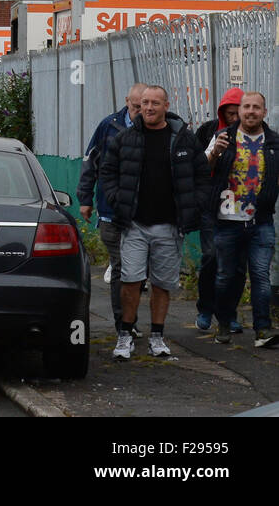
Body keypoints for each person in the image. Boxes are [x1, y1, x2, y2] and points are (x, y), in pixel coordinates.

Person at [100, 85, 211, 361]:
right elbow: (107, 171)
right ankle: (125, 335)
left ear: (166, 105)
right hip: (134, 224)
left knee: (162, 284)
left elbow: (202, 175)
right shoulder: (126, 138)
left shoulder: (183, 139)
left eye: (155, 103)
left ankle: (158, 338)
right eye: (145, 103)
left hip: (169, 226)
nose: (148, 108)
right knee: (131, 280)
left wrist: (194, 205)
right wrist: (117, 199)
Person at [206, 91, 279, 347]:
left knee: (260, 274)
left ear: (264, 112)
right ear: (239, 111)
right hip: (227, 220)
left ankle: (263, 329)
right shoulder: (222, 138)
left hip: (261, 222)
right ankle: (224, 323)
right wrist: (215, 152)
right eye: (246, 107)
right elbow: (202, 168)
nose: (250, 111)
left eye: (256, 107)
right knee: (227, 276)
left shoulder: (273, 143)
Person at [78, 83, 146, 337]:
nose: (140, 111)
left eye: (144, 106)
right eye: (135, 106)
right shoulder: (109, 126)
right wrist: (85, 199)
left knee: (138, 268)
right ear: (127, 101)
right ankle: (123, 324)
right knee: (121, 266)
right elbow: (90, 161)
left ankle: (130, 320)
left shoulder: (153, 127)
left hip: (143, 211)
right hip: (110, 210)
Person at [194, 88, 246, 332]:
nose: (235, 119)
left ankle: (228, 314)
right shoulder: (209, 132)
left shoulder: (257, 135)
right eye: (230, 114)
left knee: (236, 265)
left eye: (238, 113)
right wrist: (215, 151)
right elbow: (198, 167)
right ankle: (205, 308)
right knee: (211, 257)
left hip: (242, 208)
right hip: (213, 206)